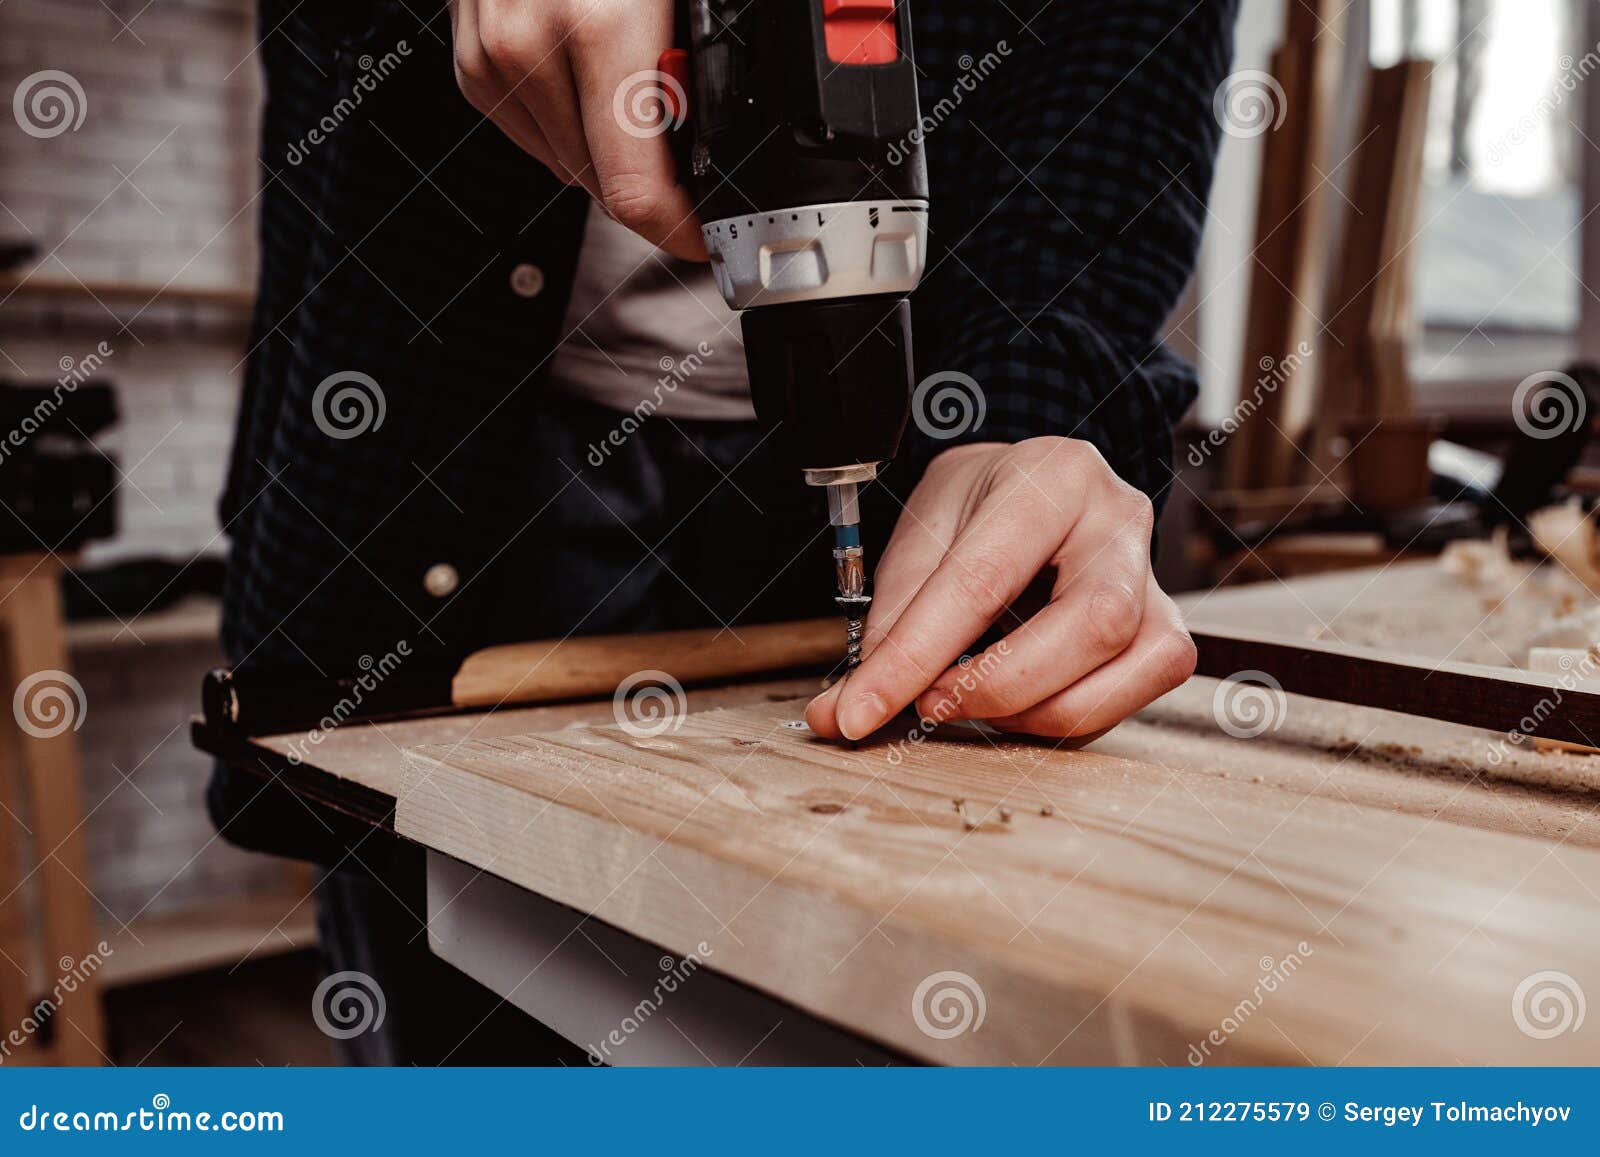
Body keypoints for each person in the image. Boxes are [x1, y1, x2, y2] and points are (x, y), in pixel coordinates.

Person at [211, 0, 1239, 1062]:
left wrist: (1022, 433)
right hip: (450, 468)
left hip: (903, 465)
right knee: (466, 1015)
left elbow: (1110, 113)